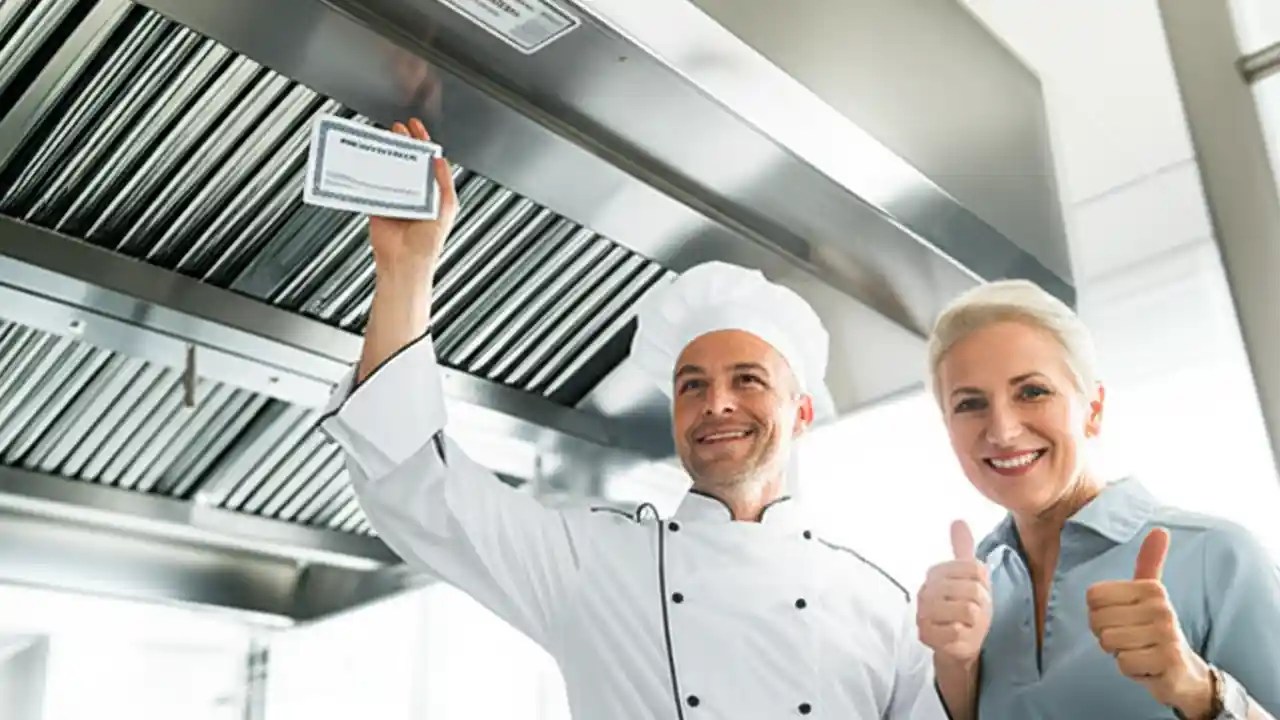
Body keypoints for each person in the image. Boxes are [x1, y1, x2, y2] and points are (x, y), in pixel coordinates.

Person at [317, 118, 950, 719]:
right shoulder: (595, 564)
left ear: (802, 412)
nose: (716, 403)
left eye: (747, 380)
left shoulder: (879, 606)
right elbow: (411, 479)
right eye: (691, 385)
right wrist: (406, 268)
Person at [914, 278, 1280, 719]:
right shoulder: (975, 589)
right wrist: (956, 671)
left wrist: (1200, 690)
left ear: (1094, 408)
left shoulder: (1217, 556)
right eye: (970, 404)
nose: (1003, 430)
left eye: (1032, 392)